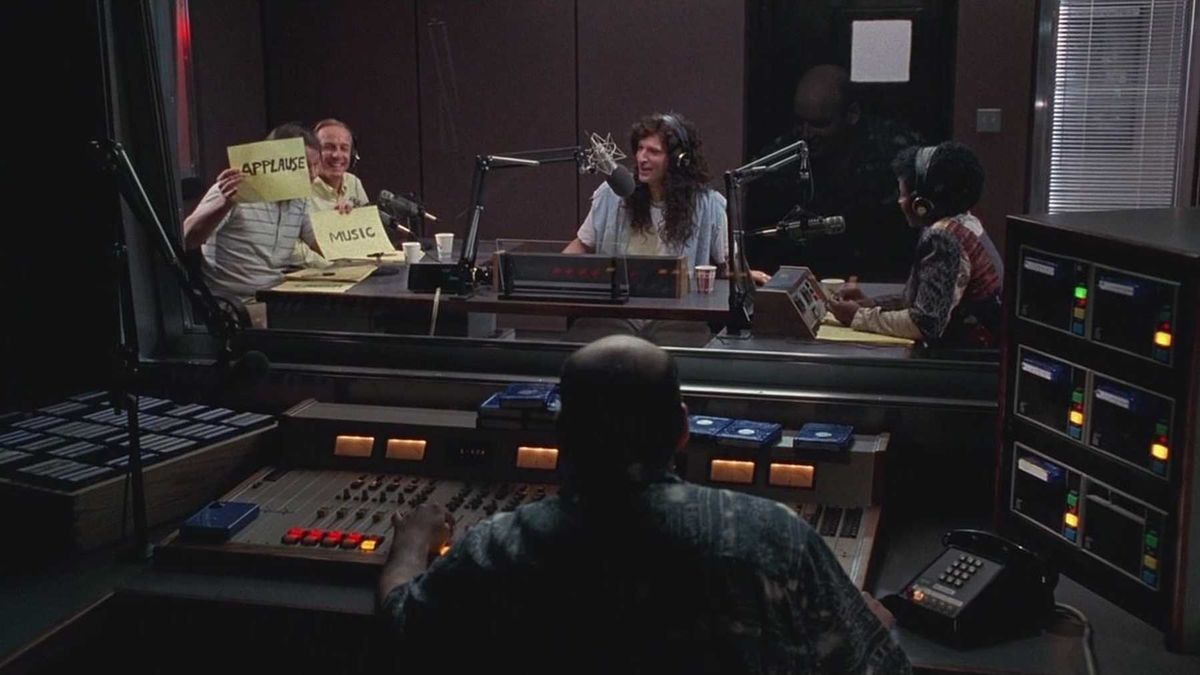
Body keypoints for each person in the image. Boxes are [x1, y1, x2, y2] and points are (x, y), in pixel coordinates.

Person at [378, 335, 910, 673]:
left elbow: (403, 626)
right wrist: (864, 623)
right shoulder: (775, 536)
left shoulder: (499, 546)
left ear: (561, 435)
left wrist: (410, 546)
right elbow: (881, 668)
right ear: (683, 429)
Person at [747, 64, 925, 281]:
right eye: (800, 123)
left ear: (852, 114)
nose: (807, 134)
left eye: (819, 124)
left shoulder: (894, 151)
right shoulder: (781, 158)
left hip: (883, 276)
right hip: (805, 278)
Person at [829, 141, 1003, 347]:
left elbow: (925, 323)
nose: (899, 201)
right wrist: (869, 304)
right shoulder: (963, 224)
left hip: (966, 358)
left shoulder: (944, 239)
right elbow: (923, 302)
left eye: (903, 194)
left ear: (920, 203)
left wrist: (858, 317)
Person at [182, 123, 324, 327]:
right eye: (305, 166)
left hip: (273, 299)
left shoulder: (300, 199)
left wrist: (345, 222)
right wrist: (225, 204)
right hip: (231, 305)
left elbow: (322, 243)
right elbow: (187, 238)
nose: (312, 174)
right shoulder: (233, 190)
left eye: (316, 165)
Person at [564, 112, 727, 271]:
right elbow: (581, 244)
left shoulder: (708, 205)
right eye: (640, 148)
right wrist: (554, 273)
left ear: (678, 160)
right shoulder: (613, 193)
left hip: (677, 291)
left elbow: (729, 263)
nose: (642, 158)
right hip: (624, 290)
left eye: (653, 151)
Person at [310, 118, 369, 211]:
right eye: (329, 147)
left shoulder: (354, 182)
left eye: (344, 148)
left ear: (352, 154)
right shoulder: (300, 190)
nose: (337, 155)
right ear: (313, 152)